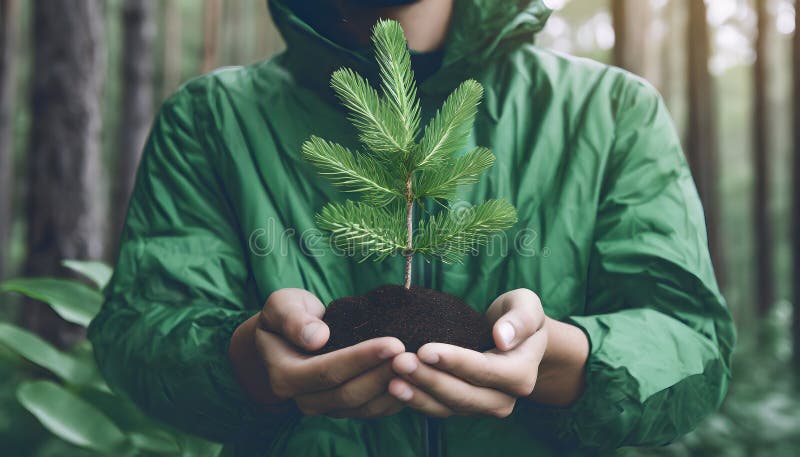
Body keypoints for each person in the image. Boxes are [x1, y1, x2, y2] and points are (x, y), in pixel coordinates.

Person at [88, 1, 736, 456]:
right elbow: (141, 332)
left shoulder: (611, 112)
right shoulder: (211, 120)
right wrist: (247, 356)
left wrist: (559, 357)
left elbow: (691, 339)